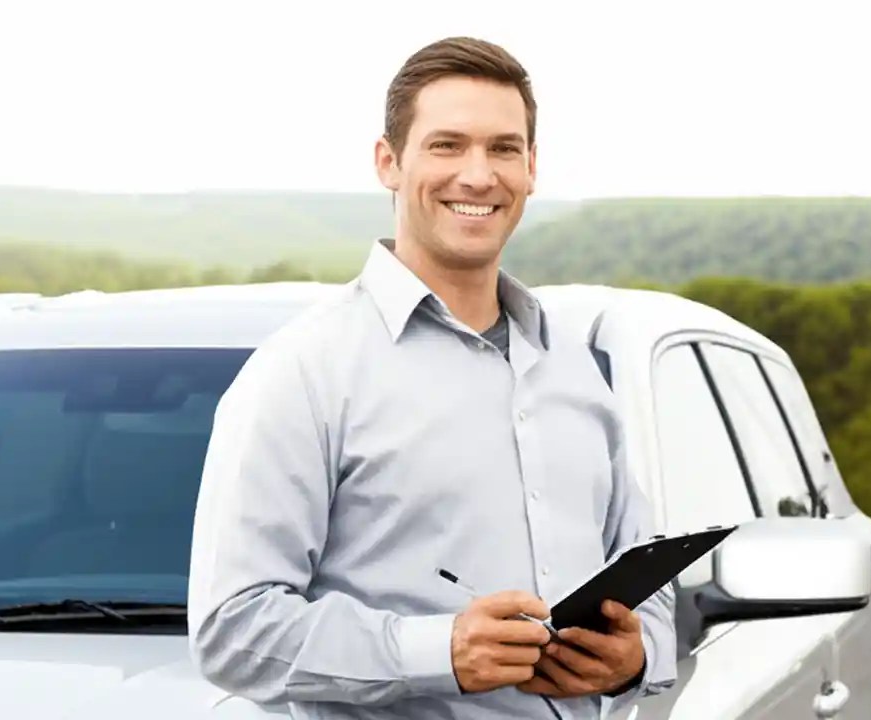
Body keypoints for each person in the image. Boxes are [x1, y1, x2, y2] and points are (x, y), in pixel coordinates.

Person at [186, 36, 676, 719]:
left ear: (532, 168)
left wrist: (636, 658)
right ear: (389, 162)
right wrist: (435, 651)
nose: (478, 176)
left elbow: (646, 587)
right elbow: (231, 631)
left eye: (503, 148)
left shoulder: (574, 367)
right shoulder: (304, 371)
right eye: (448, 145)